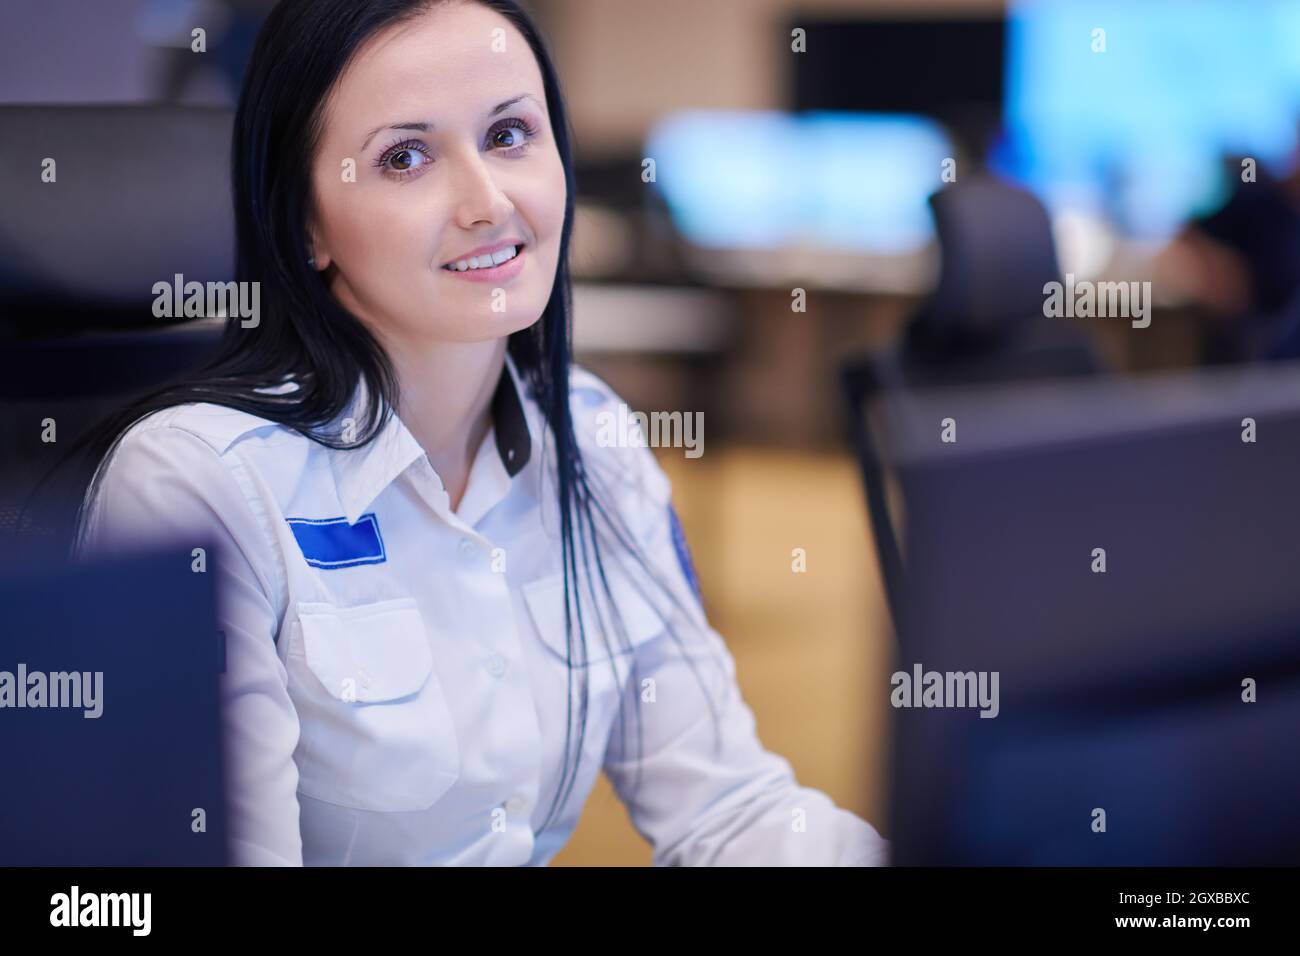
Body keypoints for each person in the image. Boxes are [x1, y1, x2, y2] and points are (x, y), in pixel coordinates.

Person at [67, 0, 889, 866]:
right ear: (305, 221)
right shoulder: (199, 485)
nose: (488, 201)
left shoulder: (594, 441)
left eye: (508, 135)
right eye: (406, 156)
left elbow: (727, 811)